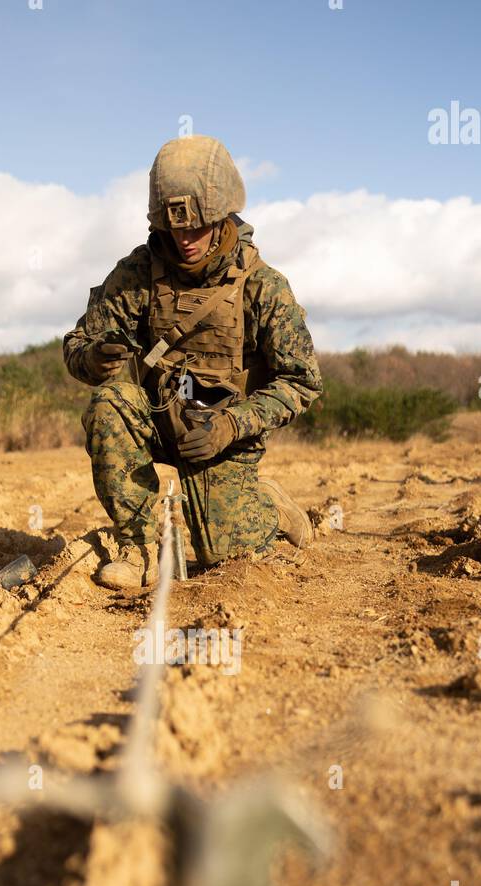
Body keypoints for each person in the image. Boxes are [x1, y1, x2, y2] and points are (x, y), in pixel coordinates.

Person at [63, 135, 323, 589]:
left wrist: (233, 425)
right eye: (174, 229)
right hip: (156, 418)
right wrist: (95, 360)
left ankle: (267, 505)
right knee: (109, 402)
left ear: (223, 218)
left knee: (223, 553)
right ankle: (140, 547)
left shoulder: (264, 287)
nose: (185, 241)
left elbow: (301, 382)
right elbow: (78, 345)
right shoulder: (137, 273)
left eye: (197, 228)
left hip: (221, 432)